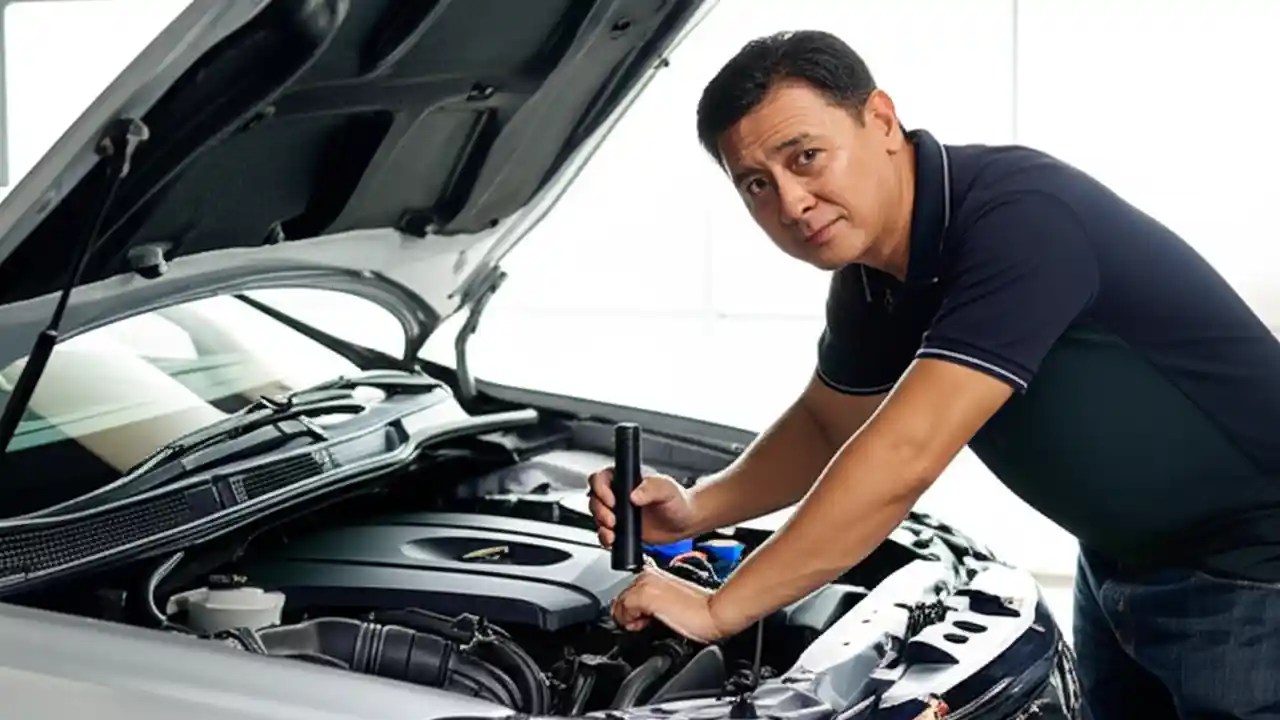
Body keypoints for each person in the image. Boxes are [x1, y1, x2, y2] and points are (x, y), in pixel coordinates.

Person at [586, 29, 1280, 719]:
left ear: (881, 121)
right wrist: (699, 507)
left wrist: (718, 609)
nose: (791, 203)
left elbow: (902, 458)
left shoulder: (1020, 221)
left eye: (807, 157)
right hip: (1120, 560)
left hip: (1252, 569)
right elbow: (830, 422)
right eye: (757, 184)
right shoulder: (873, 275)